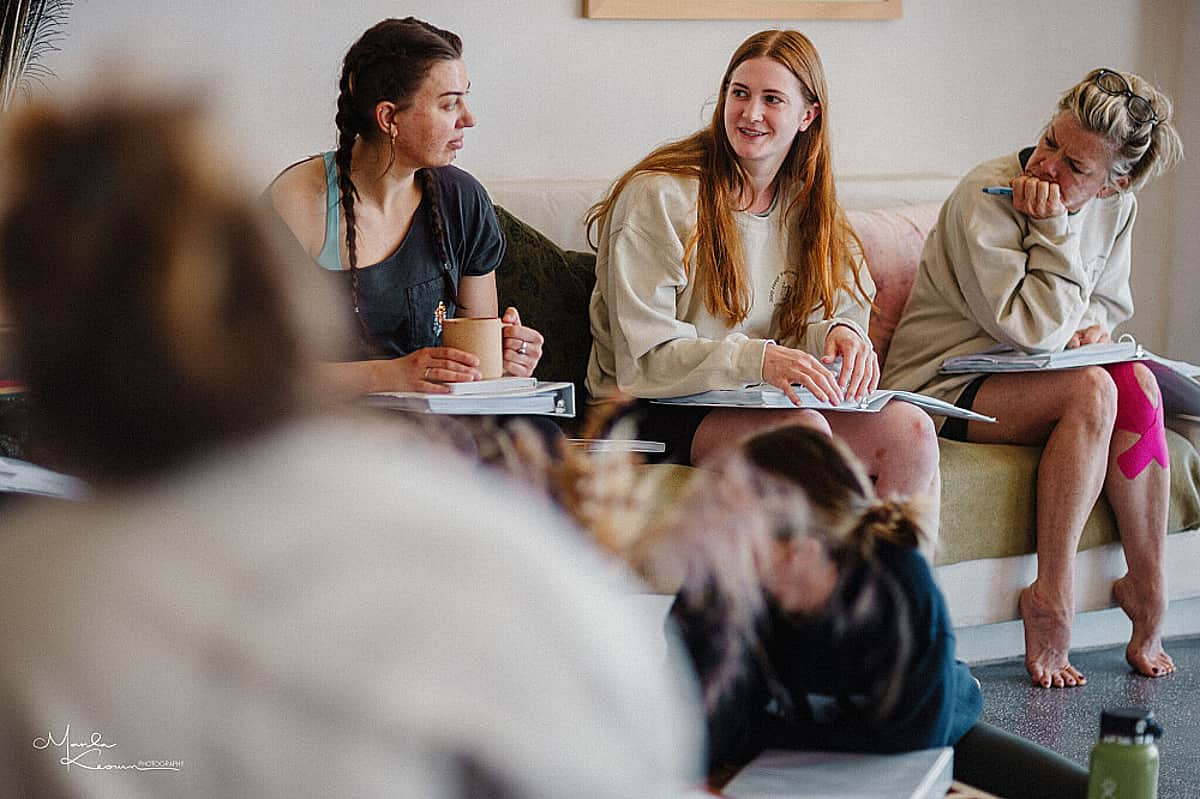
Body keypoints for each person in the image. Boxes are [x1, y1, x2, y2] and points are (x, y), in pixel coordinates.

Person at [0, 90, 702, 798]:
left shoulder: (26, 599)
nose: (468, 119)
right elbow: (632, 754)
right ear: (287, 304)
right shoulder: (497, 552)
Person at [881, 68, 1184, 688]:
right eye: (1050, 141)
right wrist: (1051, 228)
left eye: (1075, 166)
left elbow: (1104, 301)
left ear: (1112, 184)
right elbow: (1030, 327)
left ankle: (1149, 588)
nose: (1047, 166)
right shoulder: (986, 195)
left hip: (1031, 374)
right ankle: (1051, 595)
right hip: (943, 380)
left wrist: (1094, 328)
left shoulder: (1116, 209)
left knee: (1139, 387)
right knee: (1093, 390)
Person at [584, 29, 941, 542]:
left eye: (772, 99)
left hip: (757, 400)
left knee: (911, 432)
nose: (750, 113)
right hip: (653, 406)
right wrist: (762, 359)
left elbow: (835, 308)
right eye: (739, 93)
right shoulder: (661, 196)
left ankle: (879, 607)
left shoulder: (807, 206)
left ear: (807, 116)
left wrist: (840, 334)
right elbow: (642, 361)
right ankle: (814, 610)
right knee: (804, 438)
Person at [644, 425, 1087, 798]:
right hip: (792, 766)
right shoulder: (719, 588)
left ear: (802, 553)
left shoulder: (897, 583)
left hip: (931, 742)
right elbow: (693, 736)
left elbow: (913, 737)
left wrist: (763, 730)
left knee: (1091, 791)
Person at [268, 17, 544, 396]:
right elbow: (260, 372)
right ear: (389, 118)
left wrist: (506, 353)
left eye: (465, 99)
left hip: (441, 422)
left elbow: (475, 364)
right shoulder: (297, 203)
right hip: (333, 424)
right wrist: (390, 375)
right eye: (449, 105)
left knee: (538, 438)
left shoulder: (463, 200)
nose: (469, 119)